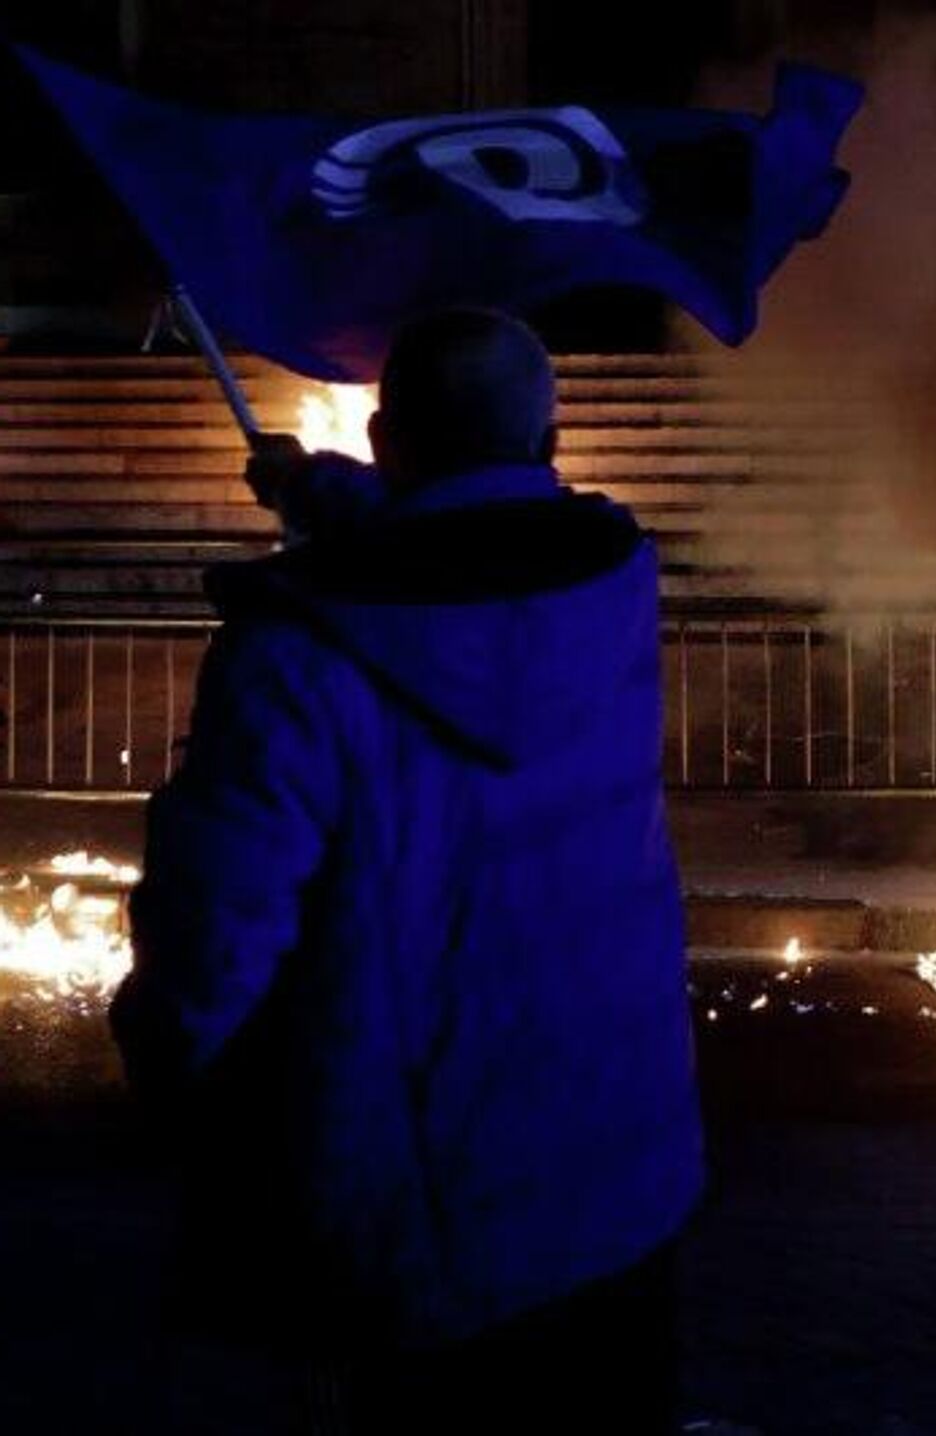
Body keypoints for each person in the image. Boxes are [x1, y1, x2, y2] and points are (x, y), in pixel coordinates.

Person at [110, 309, 701, 1433]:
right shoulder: (611, 586)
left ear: (386, 442)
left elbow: (211, 944)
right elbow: (468, 557)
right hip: (623, 1189)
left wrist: (161, 1063)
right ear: (553, 436)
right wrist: (318, 499)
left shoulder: (295, 655)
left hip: (420, 1218)